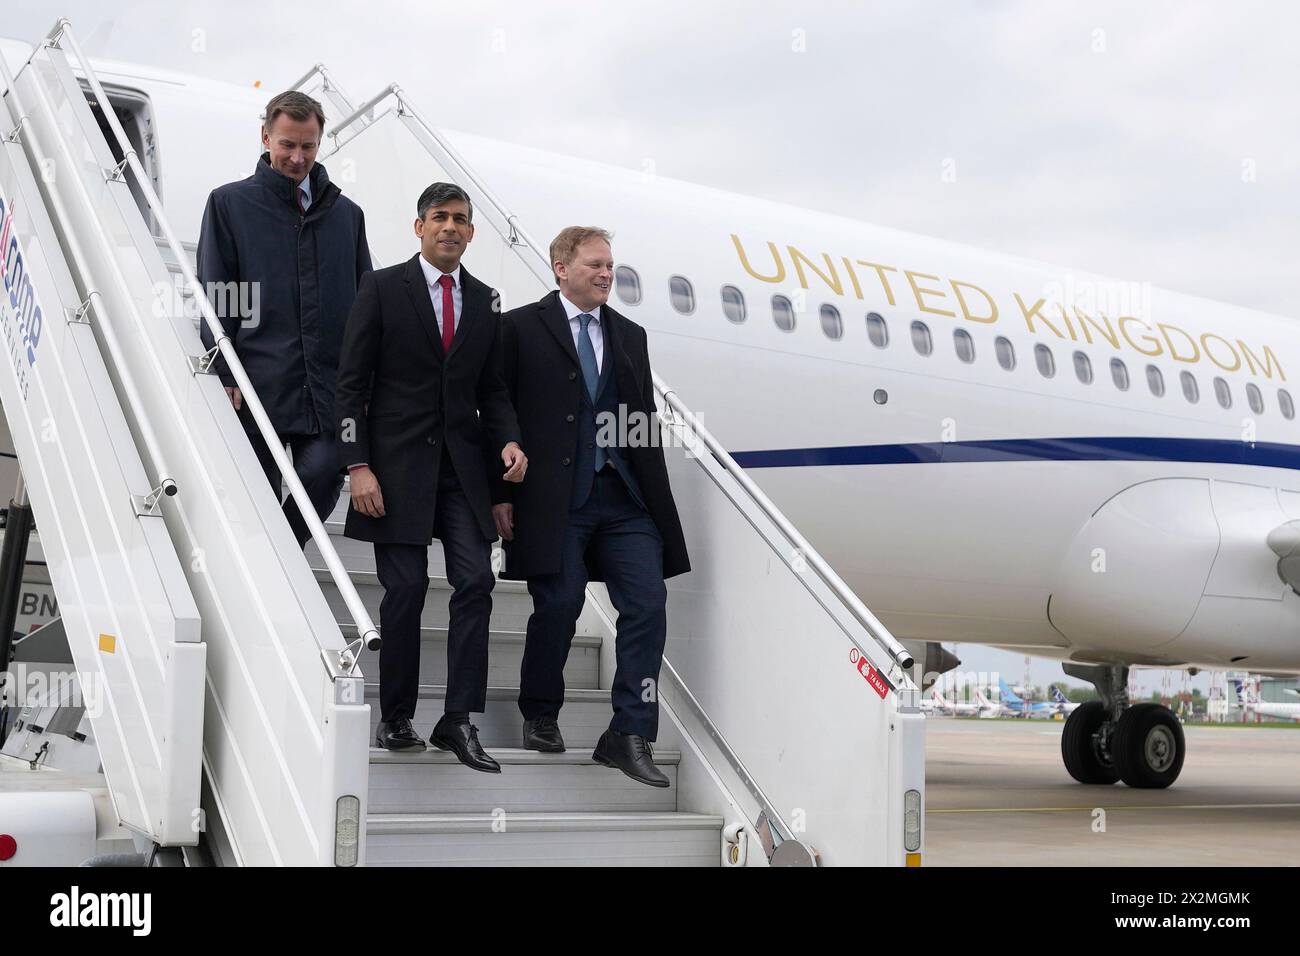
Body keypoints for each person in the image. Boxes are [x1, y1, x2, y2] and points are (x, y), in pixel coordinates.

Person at [336, 182, 526, 772]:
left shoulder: (487, 299)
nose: (451, 227)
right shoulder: (381, 288)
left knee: (475, 585)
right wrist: (356, 464)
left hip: (463, 474)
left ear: (471, 233)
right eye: (440, 217)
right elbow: (351, 385)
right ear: (418, 227)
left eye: (461, 220)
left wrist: (509, 448)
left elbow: (492, 391)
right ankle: (396, 717)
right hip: (392, 472)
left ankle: (457, 720)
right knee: (409, 589)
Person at [492, 227, 689, 787]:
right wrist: (500, 494)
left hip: (624, 497)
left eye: (611, 266)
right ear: (561, 268)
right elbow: (497, 405)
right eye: (596, 265)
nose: (607, 275)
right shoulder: (520, 328)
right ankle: (540, 710)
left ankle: (628, 734)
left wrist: (654, 497)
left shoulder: (630, 335)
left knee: (648, 605)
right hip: (554, 500)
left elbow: (641, 419)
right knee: (559, 604)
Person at [198, 90, 372, 548]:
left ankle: (280, 557)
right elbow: (219, 289)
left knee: (320, 474)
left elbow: (365, 307)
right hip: (257, 381)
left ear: (320, 143)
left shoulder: (348, 217)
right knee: (253, 493)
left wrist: (366, 381)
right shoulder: (229, 204)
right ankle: (270, 570)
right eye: (287, 145)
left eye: (308, 146)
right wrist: (223, 367)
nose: (297, 157)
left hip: (329, 388)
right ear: (265, 137)